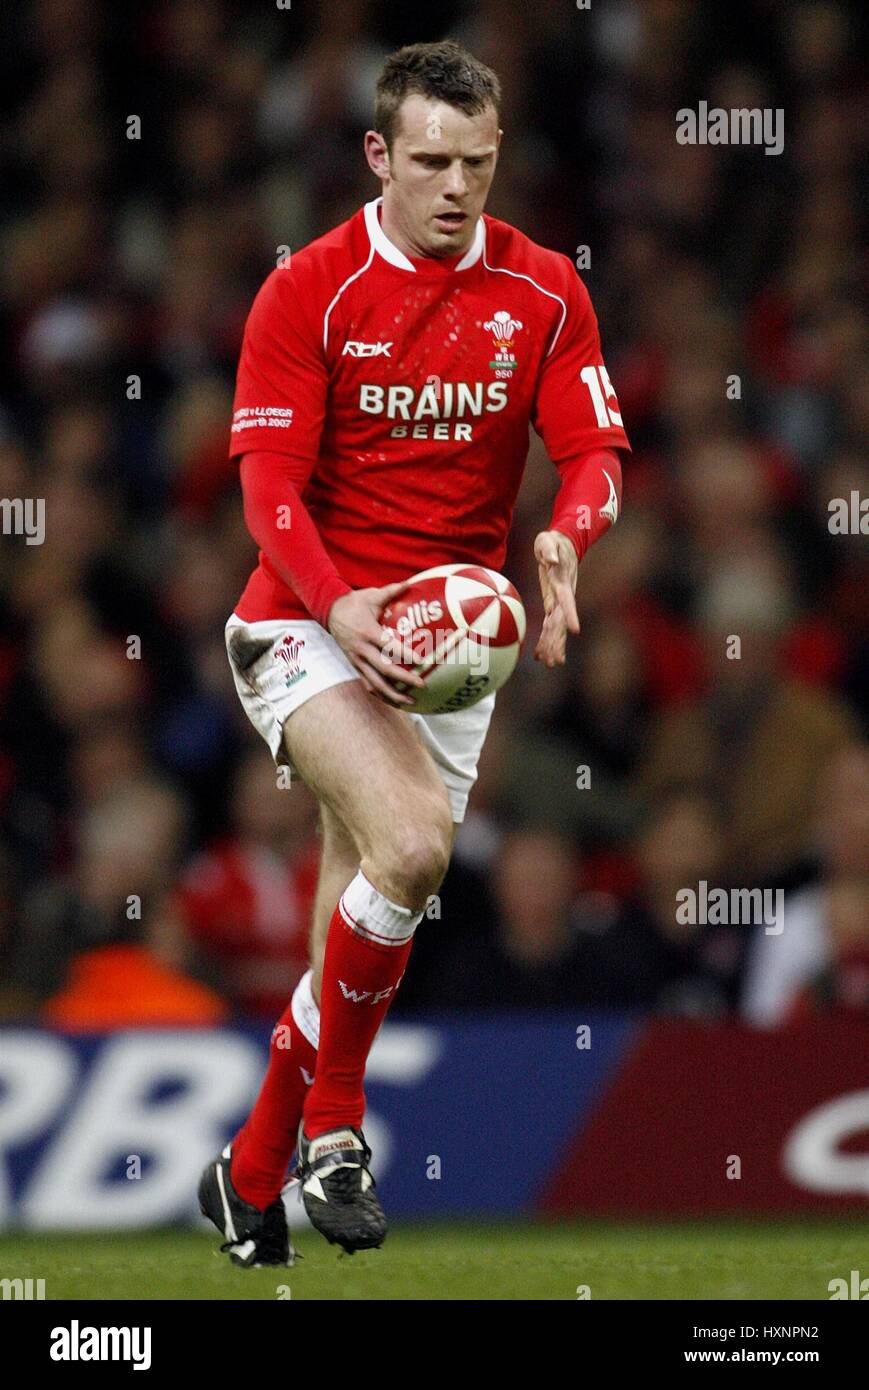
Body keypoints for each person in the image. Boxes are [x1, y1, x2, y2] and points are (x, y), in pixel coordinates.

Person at [198, 39, 629, 1264]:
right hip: (300, 620)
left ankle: (247, 1172)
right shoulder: (310, 290)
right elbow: (267, 489)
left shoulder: (543, 291)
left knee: (368, 905)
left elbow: (592, 452)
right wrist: (335, 605)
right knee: (415, 846)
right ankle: (336, 1127)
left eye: (477, 165)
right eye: (431, 161)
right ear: (378, 155)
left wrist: (566, 535)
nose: (455, 189)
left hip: (447, 649)